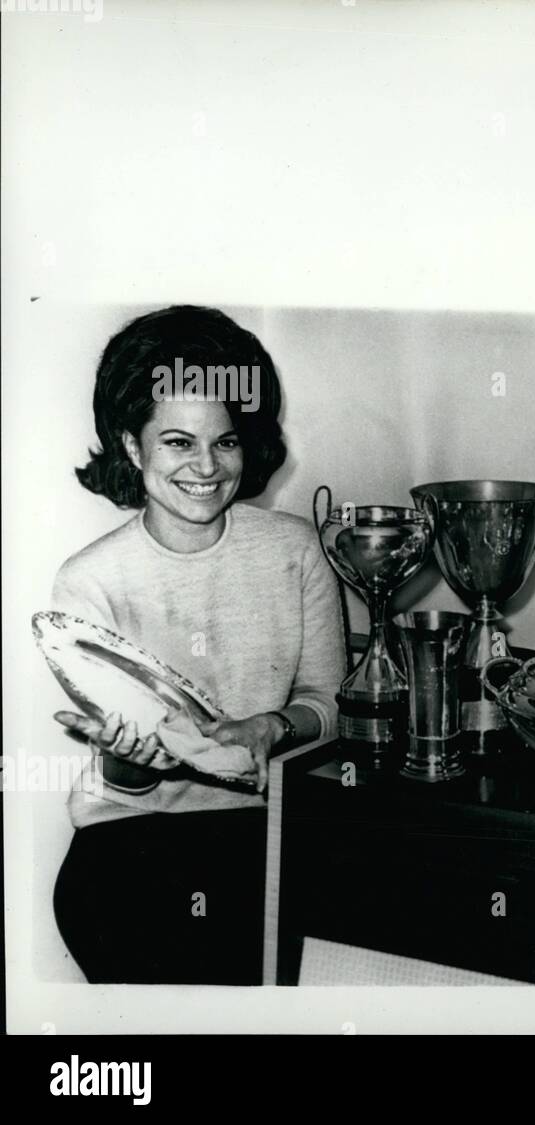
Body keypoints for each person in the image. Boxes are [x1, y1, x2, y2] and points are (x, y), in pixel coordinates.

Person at [49, 305, 345, 984]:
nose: (207, 467)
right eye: (178, 442)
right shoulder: (89, 581)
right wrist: (127, 760)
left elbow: (326, 701)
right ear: (132, 446)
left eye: (227, 442)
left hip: (262, 843)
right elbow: (124, 787)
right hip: (131, 851)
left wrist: (274, 725)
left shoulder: (296, 549)